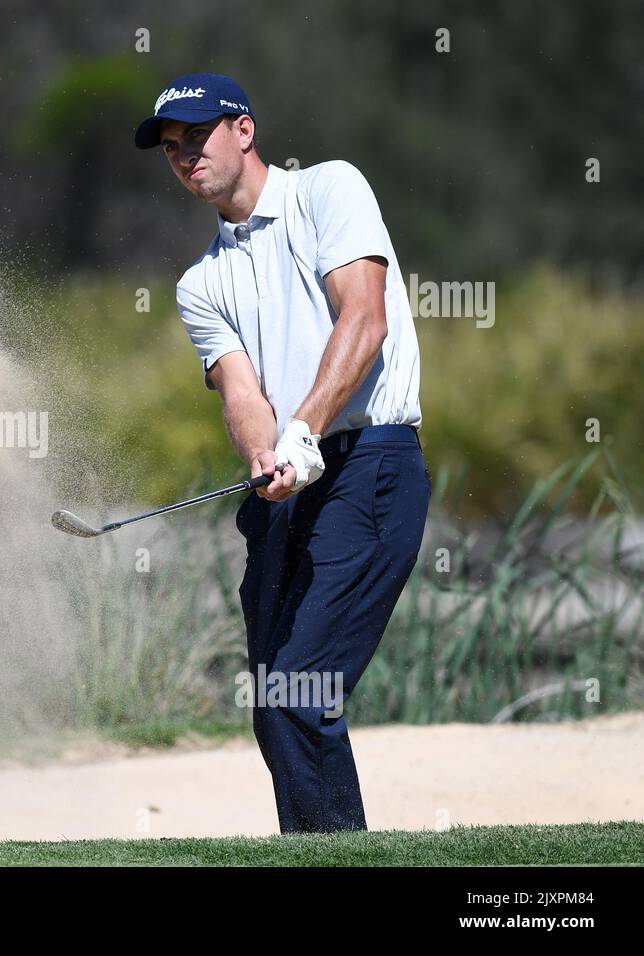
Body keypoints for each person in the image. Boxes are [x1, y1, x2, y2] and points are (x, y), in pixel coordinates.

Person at [134, 73, 431, 833]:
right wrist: (270, 452)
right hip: (289, 487)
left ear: (244, 130)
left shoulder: (329, 191)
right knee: (275, 703)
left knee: (301, 691)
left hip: (370, 463)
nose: (184, 156)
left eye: (197, 136)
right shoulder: (201, 283)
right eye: (172, 147)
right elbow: (241, 393)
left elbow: (364, 321)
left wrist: (304, 431)